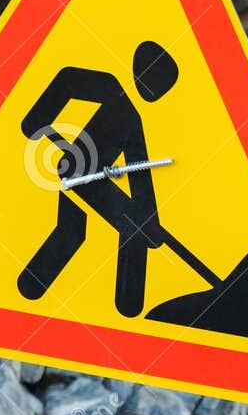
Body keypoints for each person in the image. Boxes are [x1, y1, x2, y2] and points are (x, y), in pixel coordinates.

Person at [17, 41, 178, 317]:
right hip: (78, 173)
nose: (157, 92)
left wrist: (151, 219)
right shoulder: (112, 88)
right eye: (157, 82)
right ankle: (128, 306)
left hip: (89, 177)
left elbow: (140, 170)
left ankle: (30, 289)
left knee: (72, 231)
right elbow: (67, 81)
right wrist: (37, 117)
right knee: (131, 229)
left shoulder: (134, 117)